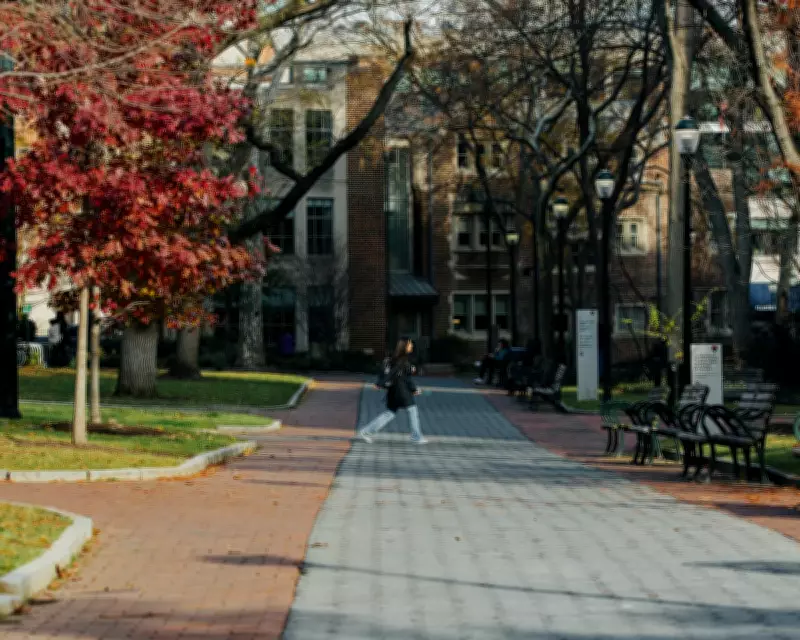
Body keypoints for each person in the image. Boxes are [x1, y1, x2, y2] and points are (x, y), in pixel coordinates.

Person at [359, 337, 427, 445]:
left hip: (393, 391)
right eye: (409, 344)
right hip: (402, 392)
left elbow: (394, 373)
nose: (411, 346)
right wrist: (414, 389)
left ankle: (366, 431)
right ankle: (416, 436)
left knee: (389, 413)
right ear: (404, 346)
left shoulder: (395, 359)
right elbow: (405, 378)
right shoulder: (403, 360)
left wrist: (380, 383)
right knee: (412, 411)